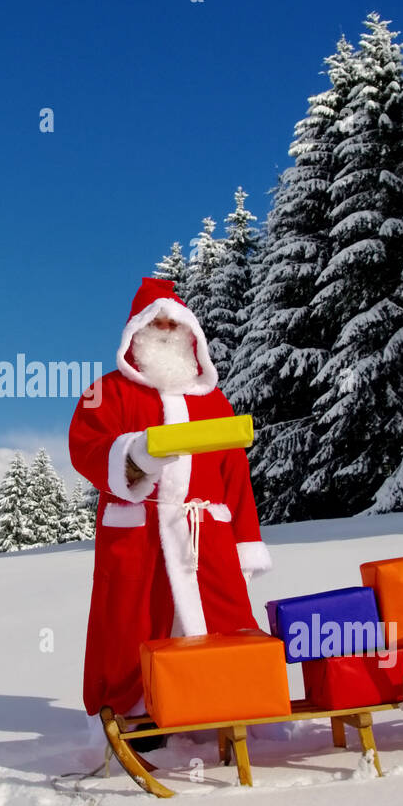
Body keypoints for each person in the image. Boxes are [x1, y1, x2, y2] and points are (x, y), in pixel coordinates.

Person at [69, 277, 273, 749]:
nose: (165, 328)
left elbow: (235, 477)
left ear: (190, 334)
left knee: (223, 618)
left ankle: (225, 708)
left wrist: (245, 540)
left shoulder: (214, 402)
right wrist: (137, 454)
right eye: (155, 323)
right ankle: (135, 715)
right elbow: (86, 448)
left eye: (173, 323)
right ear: (135, 333)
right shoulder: (109, 392)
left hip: (205, 534)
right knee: (130, 622)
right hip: (137, 533)